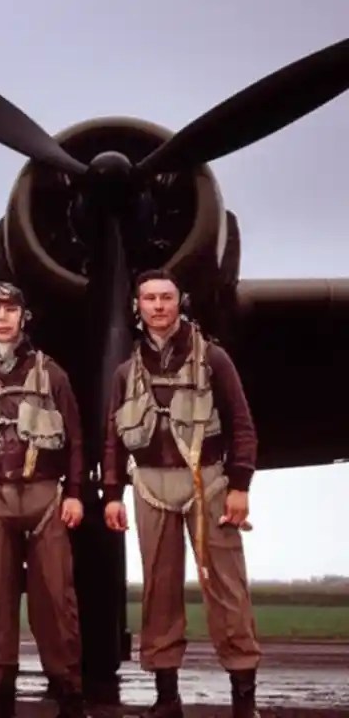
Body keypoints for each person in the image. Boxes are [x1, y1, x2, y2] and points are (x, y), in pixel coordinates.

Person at [102, 269, 261, 718]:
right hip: (150, 486)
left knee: (227, 588)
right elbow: (112, 439)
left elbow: (242, 426)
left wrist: (240, 485)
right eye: (149, 298)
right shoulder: (124, 372)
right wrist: (112, 492)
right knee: (159, 591)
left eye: (166, 297)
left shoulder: (214, 359)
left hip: (207, 482)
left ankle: (243, 699)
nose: (158, 306)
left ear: (179, 302)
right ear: (138, 306)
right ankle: (167, 697)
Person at [0, 281, 87, 718]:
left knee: (55, 598)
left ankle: (69, 695)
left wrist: (76, 493)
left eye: (11, 308)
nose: (3, 316)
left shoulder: (52, 374)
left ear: (23, 317)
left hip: (44, 494)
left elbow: (77, 440)